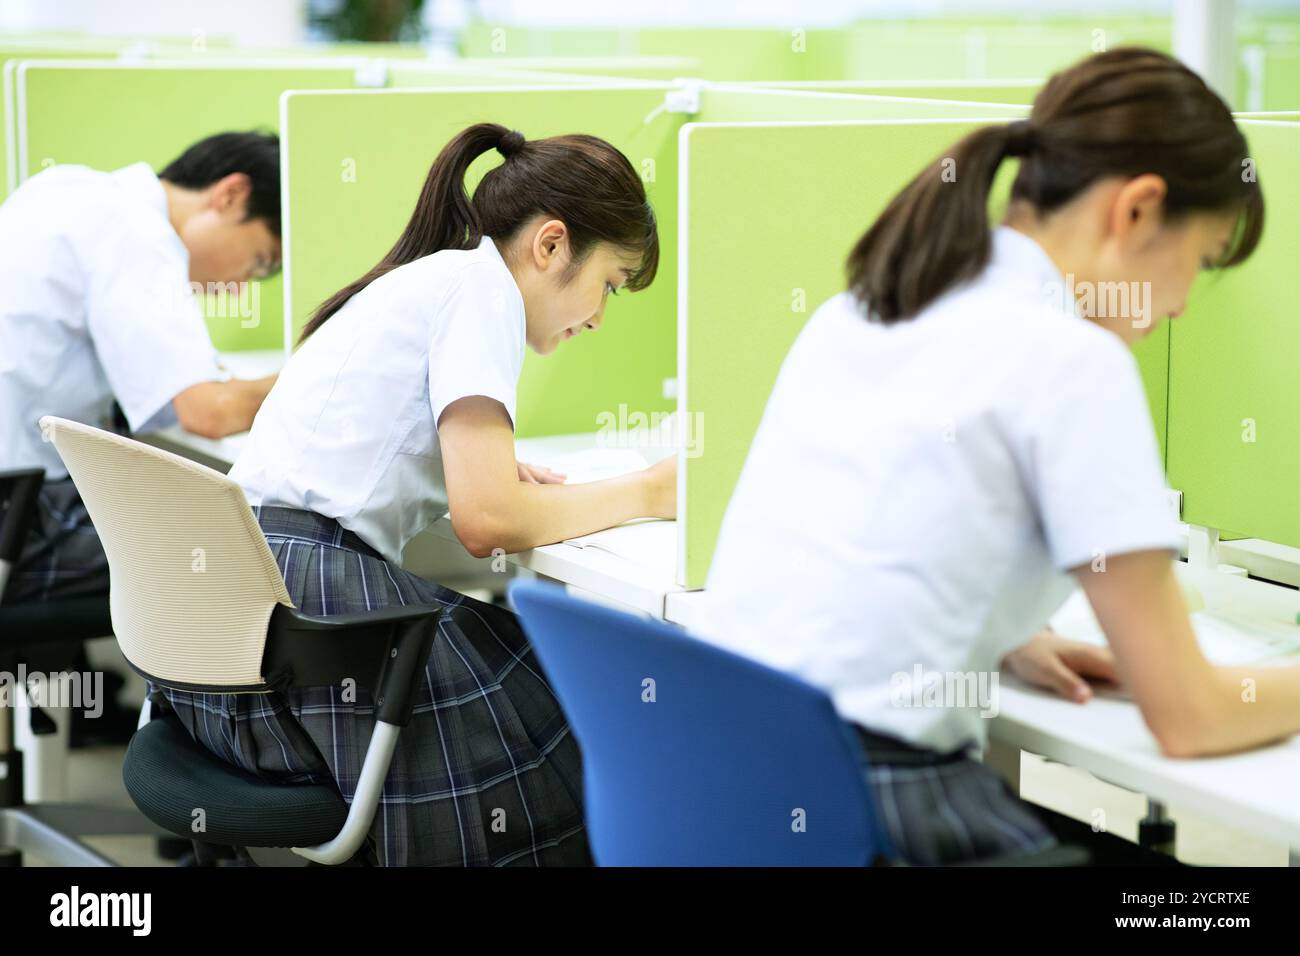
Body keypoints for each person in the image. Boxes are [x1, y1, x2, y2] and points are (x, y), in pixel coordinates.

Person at [694, 48, 1283, 865]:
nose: (1183, 304)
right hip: (867, 811)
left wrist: (1001, 634)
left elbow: (863, 542)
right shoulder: (1073, 360)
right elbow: (1191, 715)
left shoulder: (861, 310)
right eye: (1202, 260)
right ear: (1140, 209)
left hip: (719, 788)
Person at [158, 123, 675, 866]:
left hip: (226, 639)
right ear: (552, 244)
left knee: (546, 686)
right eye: (611, 285)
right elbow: (488, 521)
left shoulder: (433, 279)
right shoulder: (482, 293)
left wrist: (488, 464)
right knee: (583, 718)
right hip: (303, 620)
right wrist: (650, 490)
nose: (597, 316)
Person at [0, 131, 281, 606]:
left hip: (20, 495)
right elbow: (207, 413)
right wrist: (312, 375)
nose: (239, 287)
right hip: (19, 520)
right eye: (258, 262)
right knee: (243, 550)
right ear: (231, 195)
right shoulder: (134, 229)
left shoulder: (63, 188)